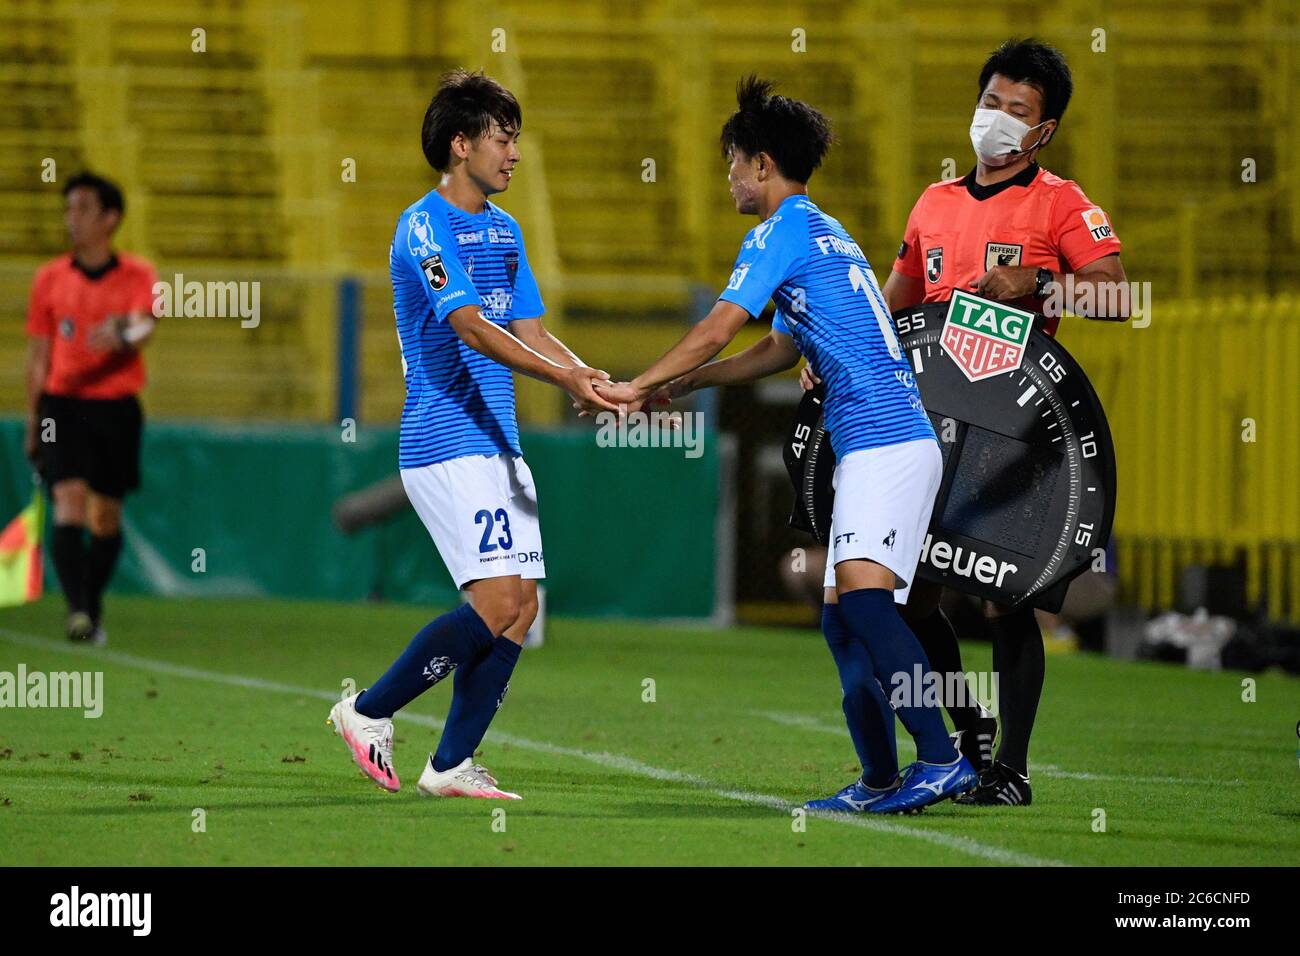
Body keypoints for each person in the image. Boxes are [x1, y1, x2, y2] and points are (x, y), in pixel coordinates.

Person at [599, 77, 976, 813]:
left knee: (867, 608)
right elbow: (774, 349)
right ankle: (878, 779)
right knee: (842, 619)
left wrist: (634, 384)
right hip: (882, 440)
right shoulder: (824, 231)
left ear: (762, 164)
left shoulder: (780, 232)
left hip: (886, 442)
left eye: (734, 161)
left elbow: (719, 324)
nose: (729, 176)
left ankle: (940, 758)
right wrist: (688, 385)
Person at [802, 38, 1129, 805]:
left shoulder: (1062, 202)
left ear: (1043, 131)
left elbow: (1118, 294)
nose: (998, 119)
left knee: (1002, 594)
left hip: (1015, 433)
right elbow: (892, 304)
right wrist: (833, 345)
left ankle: (1009, 769)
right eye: (992, 102)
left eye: (1018, 111)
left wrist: (1040, 281)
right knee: (913, 598)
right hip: (926, 422)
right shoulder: (933, 202)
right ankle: (964, 730)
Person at [327, 70, 617, 800]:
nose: (514, 153)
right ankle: (365, 712)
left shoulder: (506, 229)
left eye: (515, 138)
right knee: (493, 603)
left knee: (522, 607)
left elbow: (531, 332)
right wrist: (566, 381)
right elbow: (470, 328)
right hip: (444, 438)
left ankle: (450, 763)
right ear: (461, 145)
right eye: (502, 137)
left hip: (498, 442)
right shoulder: (422, 226)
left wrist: (589, 376)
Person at [25, 172, 158, 645]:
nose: (71, 219)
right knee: (69, 503)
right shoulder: (49, 279)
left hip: (116, 409)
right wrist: (33, 419)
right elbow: (39, 354)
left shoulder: (139, 274)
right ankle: (78, 610)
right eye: (68, 209)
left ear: (110, 218)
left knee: (106, 517)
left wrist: (123, 335)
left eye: (82, 209)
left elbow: (146, 325)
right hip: (62, 407)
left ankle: (90, 603)